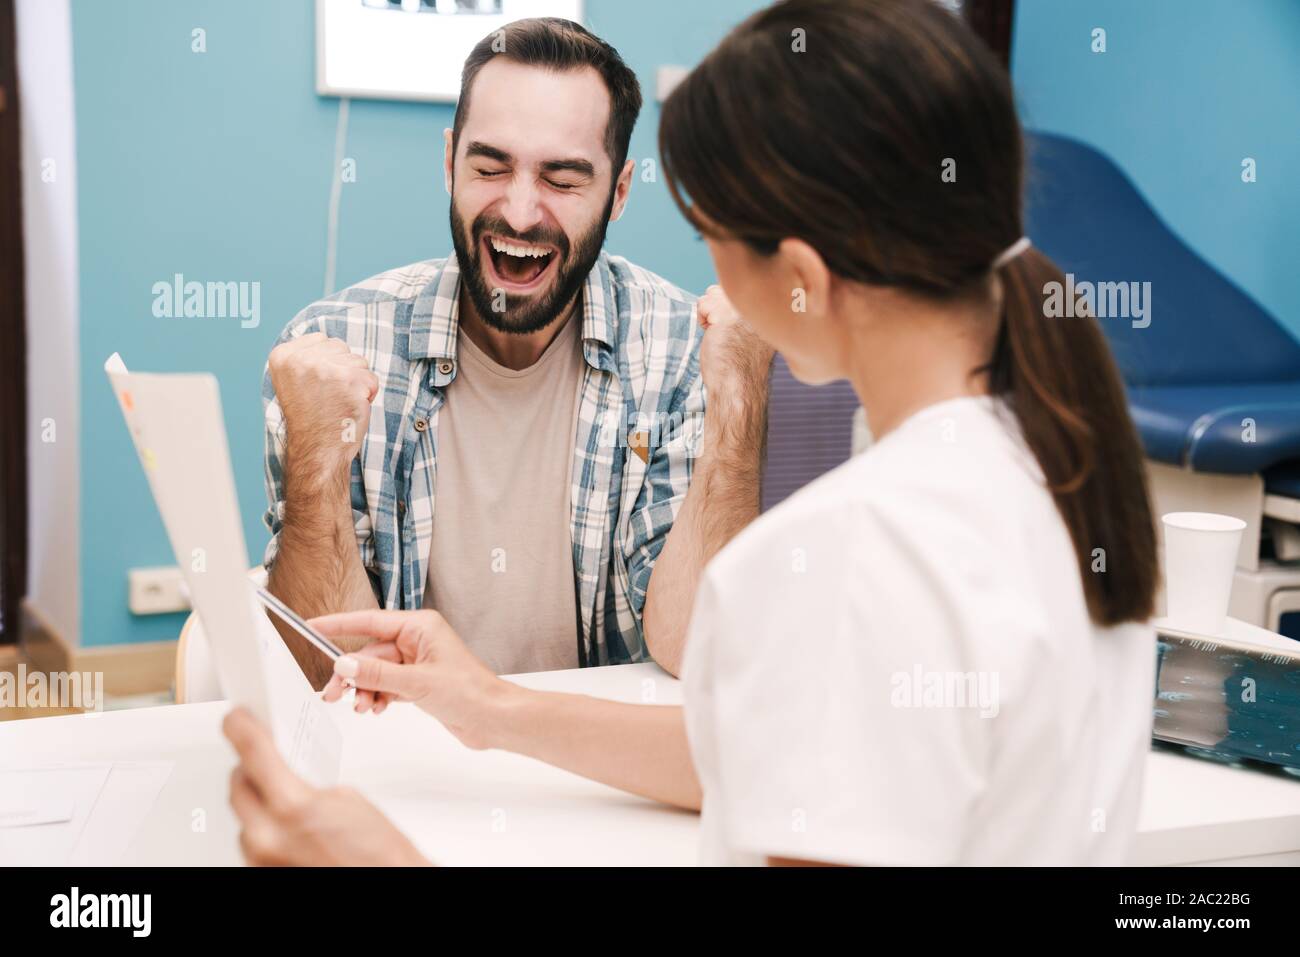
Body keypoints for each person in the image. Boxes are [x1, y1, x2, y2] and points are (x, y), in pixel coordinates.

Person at [226, 0, 1159, 866]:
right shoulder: (1068, 473)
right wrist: (492, 706)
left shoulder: (841, 553)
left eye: (708, 228)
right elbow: (761, 753)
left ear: (794, 272)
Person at [261, 17, 772, 687]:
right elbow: (327, 667)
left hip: (600, 774)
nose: (522, 212)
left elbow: (695, 649)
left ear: (618, 192)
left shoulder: (685, 355)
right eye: (490, 166)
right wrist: (316, 465)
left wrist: (738, 397)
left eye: (562, 179)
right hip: (403, 757)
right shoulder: (332, 347)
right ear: (450, 163)